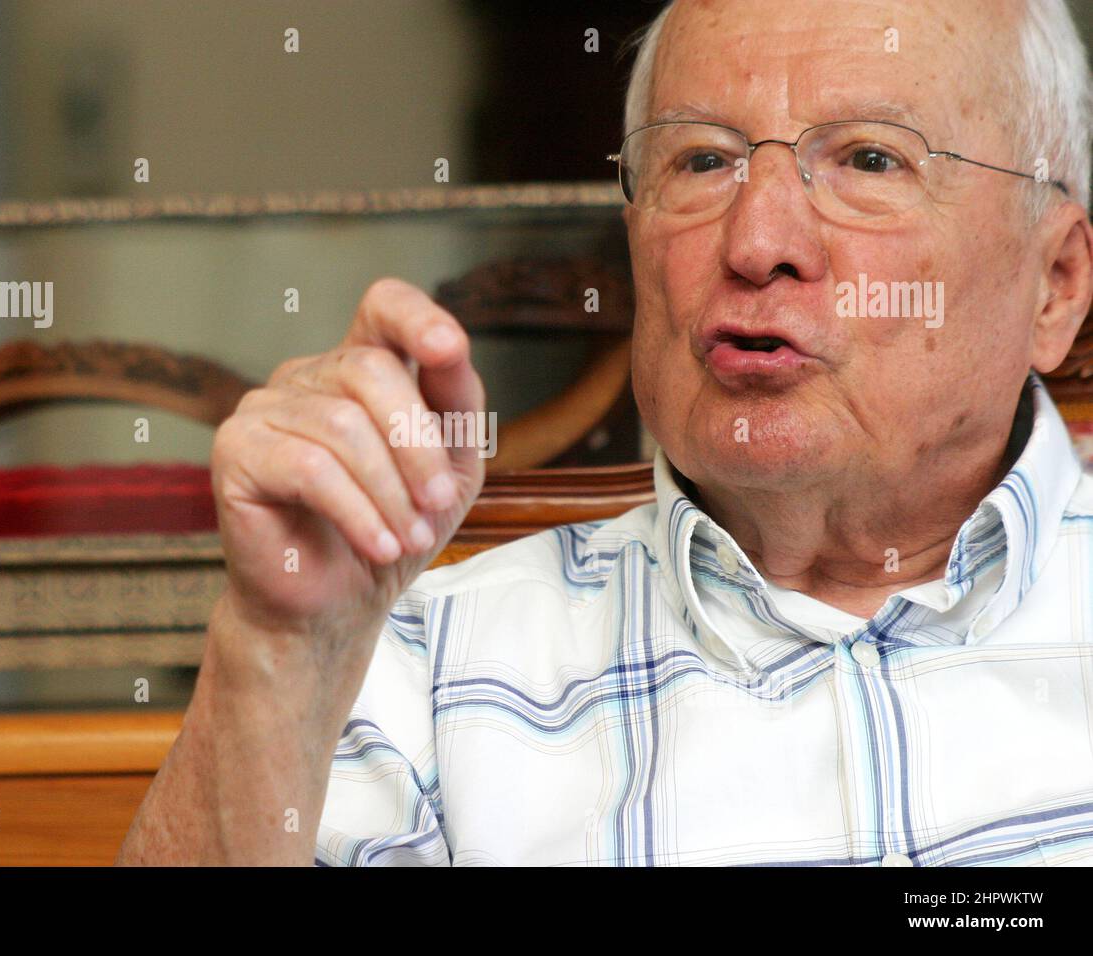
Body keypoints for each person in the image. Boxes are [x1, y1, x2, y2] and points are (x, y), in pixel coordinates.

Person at [118, 0, 1093, 866]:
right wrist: (280, 648)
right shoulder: (417, 665)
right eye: (702, 159)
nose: (757, 243)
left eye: (869, 159)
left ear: (1054, 285)